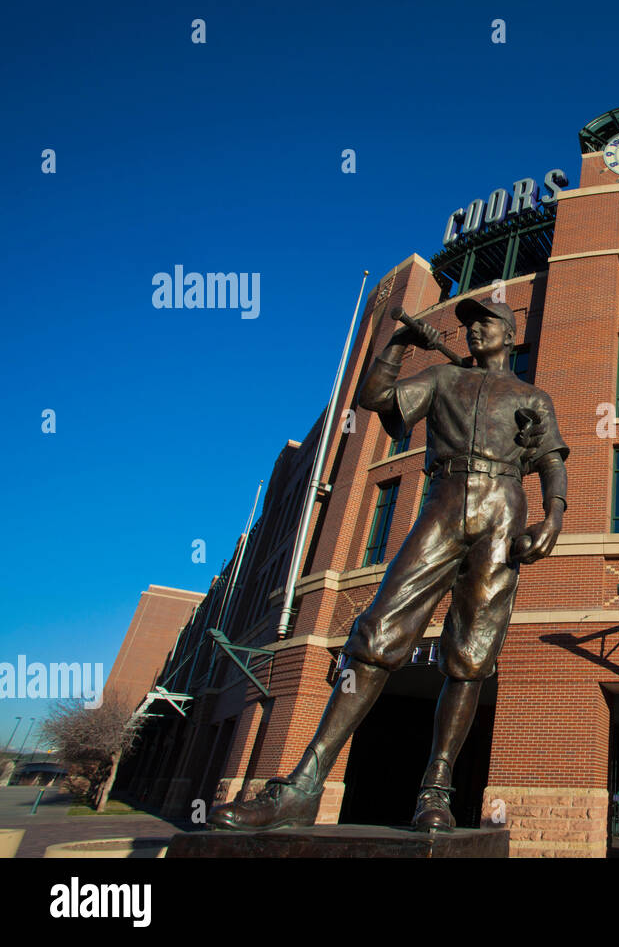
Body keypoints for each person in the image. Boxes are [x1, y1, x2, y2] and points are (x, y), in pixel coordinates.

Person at [210, 296, 569, 832]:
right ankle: (304, 786)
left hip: (504, 507)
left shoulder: (532, 398)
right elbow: (376, 397)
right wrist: (401, 344)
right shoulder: (444, 377)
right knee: (378, 632)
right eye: (468, 325)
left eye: (485, 324)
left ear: (510, 333)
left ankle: (436, 792)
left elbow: (550, 461)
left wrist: (554, 518)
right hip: (445, 499)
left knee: (471, 656)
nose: (473, 332)